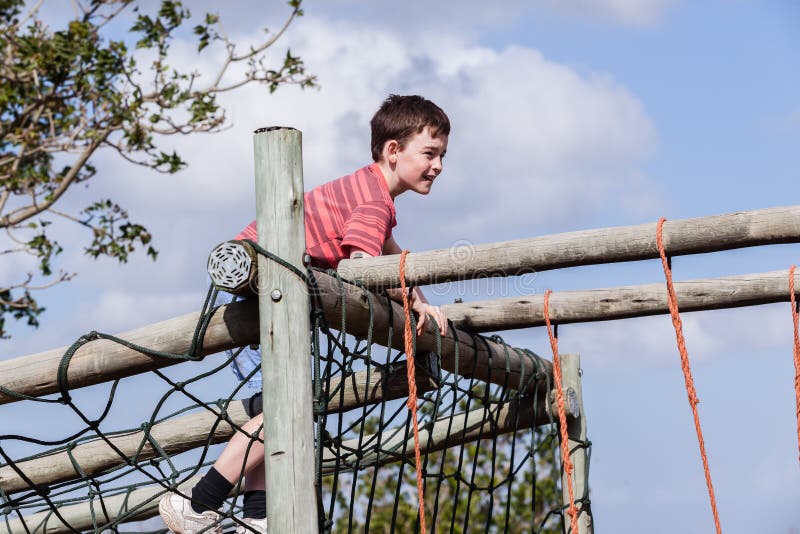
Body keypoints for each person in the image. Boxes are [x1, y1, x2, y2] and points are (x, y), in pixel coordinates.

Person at [159, 95, 451, 533]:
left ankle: (256, 519)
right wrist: (413, 303)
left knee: (277, 409)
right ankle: (197, 502)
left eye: (442, 156)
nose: (438, 165)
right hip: (266, 297)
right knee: (285, 410)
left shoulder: (368, 193)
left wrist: (421, 299)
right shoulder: (373, 201)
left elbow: (394, 257)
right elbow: (362, 268)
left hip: (266, 297)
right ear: (393, 150)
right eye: (430, 153)